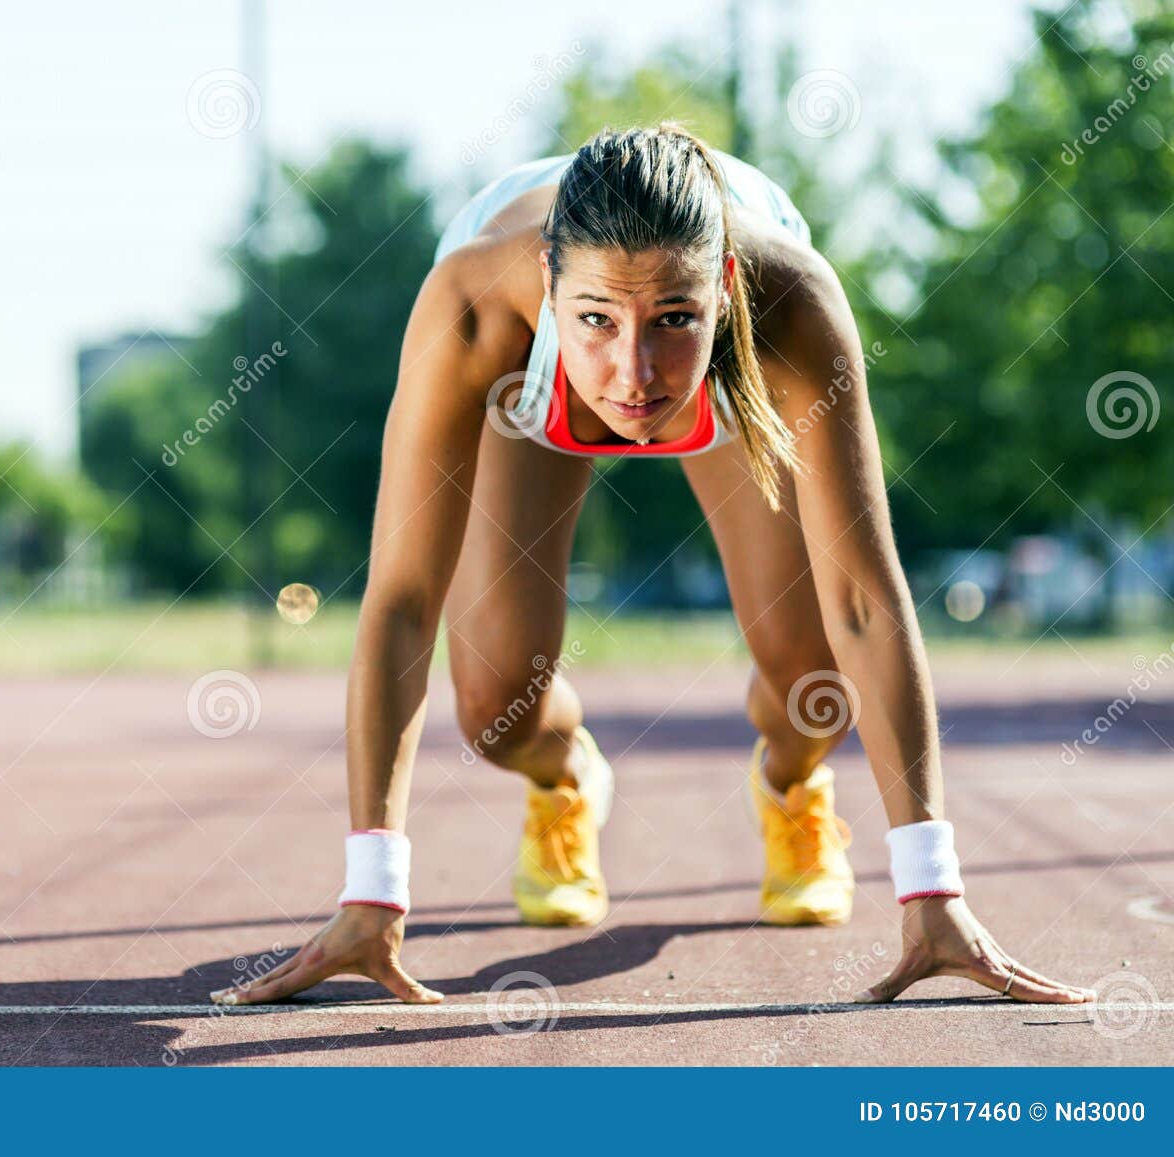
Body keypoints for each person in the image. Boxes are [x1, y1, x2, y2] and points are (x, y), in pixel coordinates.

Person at [210, 123, 1095, 1008]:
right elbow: (404, 600)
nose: (634, 374)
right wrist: (372, 889)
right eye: (597, 319)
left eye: (674, 319)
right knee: (494, 709)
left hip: (735, 367)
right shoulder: (476, 305)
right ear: (550, 283)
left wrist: (932, 886)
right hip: (527, 375)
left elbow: (864, 599)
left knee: (813, 679)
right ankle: (565, 779)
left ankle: (790, 785)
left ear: (725, 285)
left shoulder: (791, 301)